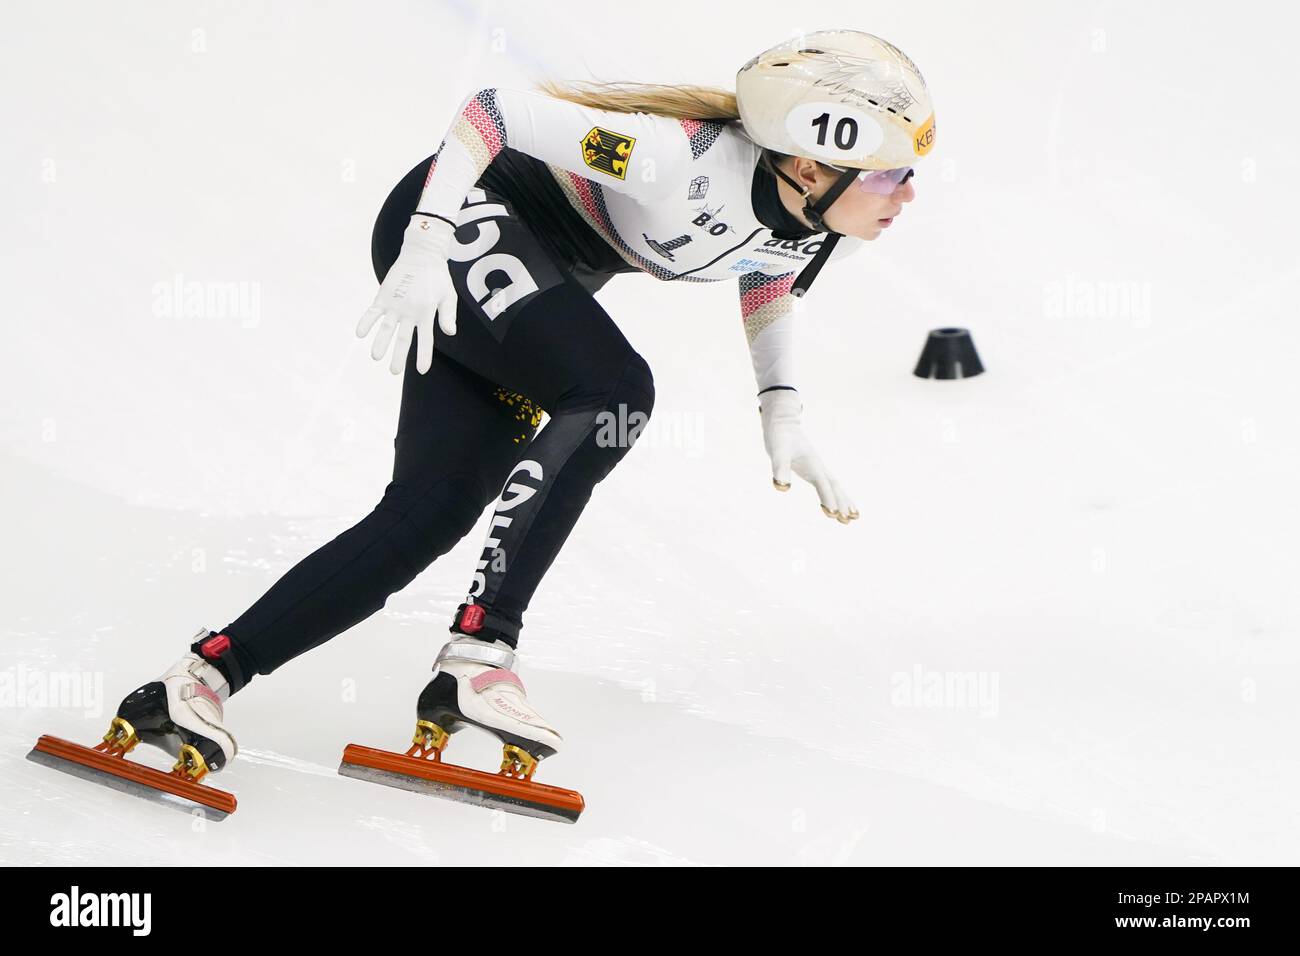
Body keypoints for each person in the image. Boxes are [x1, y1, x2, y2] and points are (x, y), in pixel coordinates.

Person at [106, 29, 936, 787]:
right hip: (458, 217)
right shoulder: (674, 158)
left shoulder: (819, 224)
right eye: (894, 175)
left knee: (432, 511)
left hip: (531, 274)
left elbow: (767, 274)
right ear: (808, 164)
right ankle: (482, 649)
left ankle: (199, 678)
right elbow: (490, 112)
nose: (906, 196)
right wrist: (427, 241)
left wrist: (780, 410)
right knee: (614, 392)